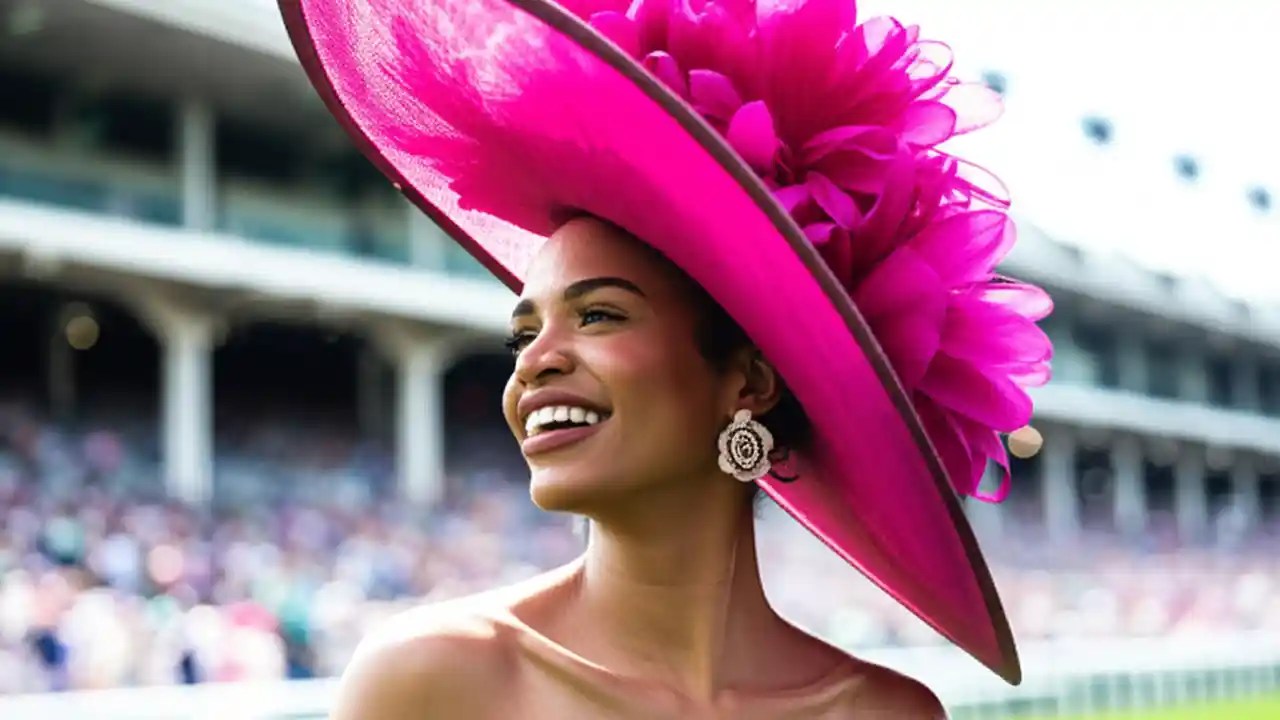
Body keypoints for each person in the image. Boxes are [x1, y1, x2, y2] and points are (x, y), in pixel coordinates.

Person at [280, 0, 1054, 717]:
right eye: (524, 332)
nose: (534, 363)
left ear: (747, 380)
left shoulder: (885, 714)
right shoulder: (432, 684)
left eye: (599, 314)